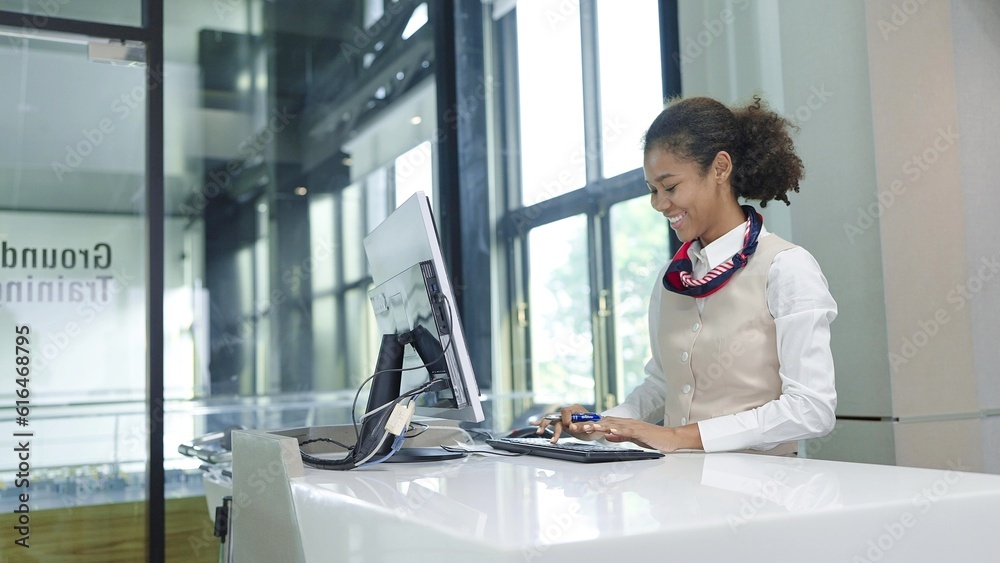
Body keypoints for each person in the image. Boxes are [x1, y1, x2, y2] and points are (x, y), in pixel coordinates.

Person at [537, 95, 837, 455]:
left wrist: (680, 437)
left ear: (720, 168)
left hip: (763, 496)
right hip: (677, 491)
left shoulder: (786, 266)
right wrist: (602, 424)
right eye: (652, 190)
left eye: (670, 187)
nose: (659, 204)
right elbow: (663, 384)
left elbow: (812, 409)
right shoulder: (672, 277)